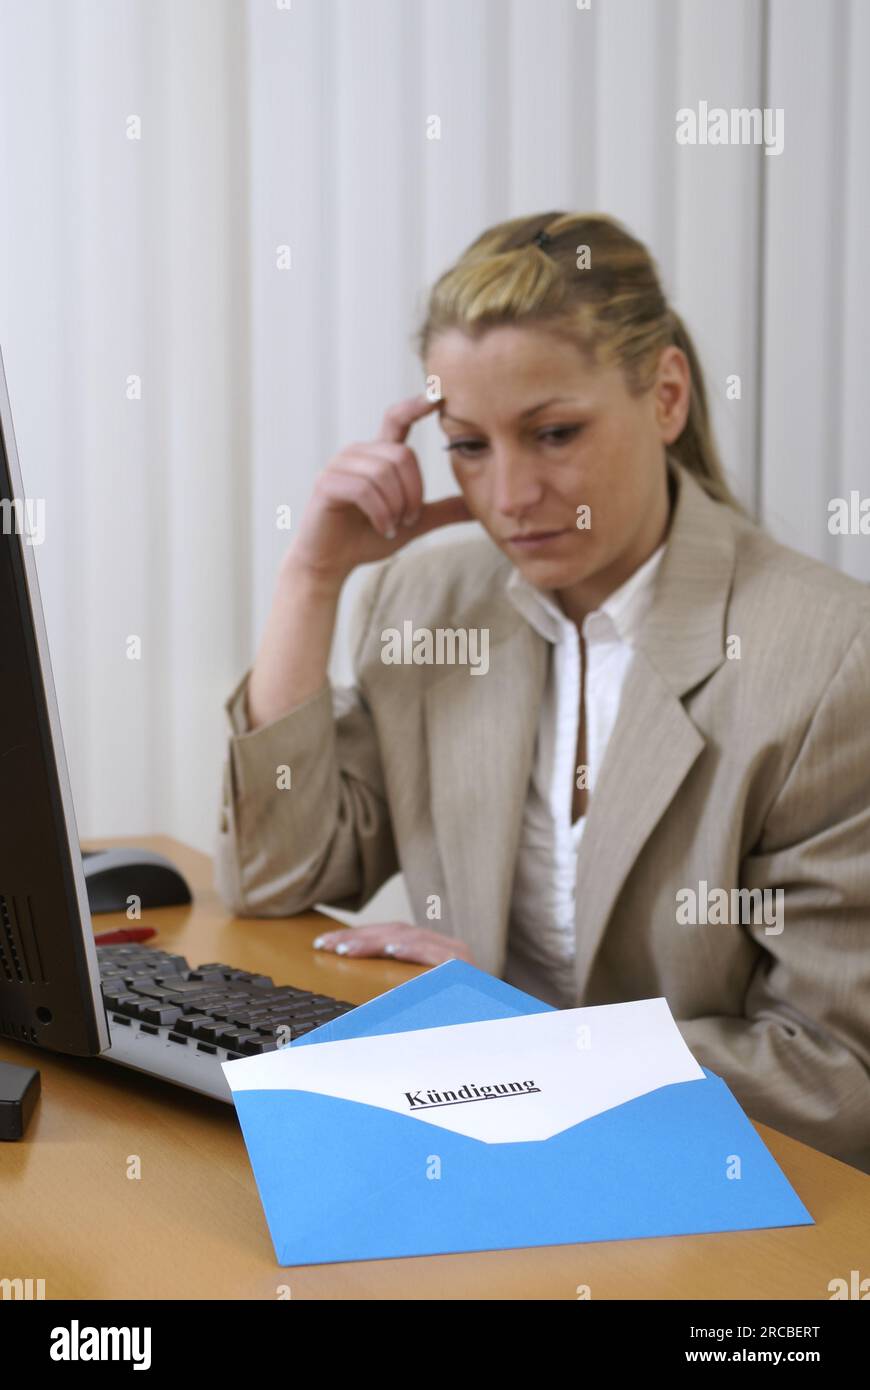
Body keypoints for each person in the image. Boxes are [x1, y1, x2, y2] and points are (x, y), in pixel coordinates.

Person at [214, 211, 870, 1172]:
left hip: (695, 1193)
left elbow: (834, 1080)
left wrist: (534, 1045)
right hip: (476, 1153)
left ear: (667, 397)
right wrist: (312, 580)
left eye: (553, 432)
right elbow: (277, 877)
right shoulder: (429, 596)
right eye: (468, 446)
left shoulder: (824, 656)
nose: (511, 494)